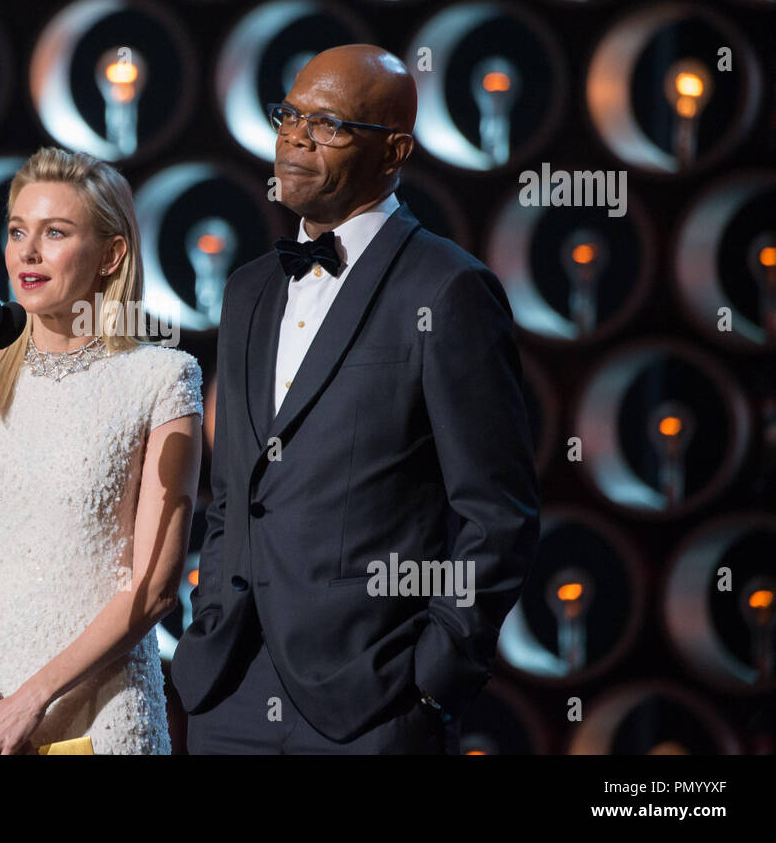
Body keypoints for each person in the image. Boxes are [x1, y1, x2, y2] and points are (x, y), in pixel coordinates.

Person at [171, 44, 540, 754]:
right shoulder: (249, 288)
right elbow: (233, 495)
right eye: (289, 115)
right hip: (228, 691)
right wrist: (210, 613)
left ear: (393, 150)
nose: (296, 137)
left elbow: (496, 512)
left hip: (371, 701)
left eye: (330, 124)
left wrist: (433, 681)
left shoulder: (446, 288)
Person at [0, 146, 203, 754]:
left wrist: (29, 701)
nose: (28, 251)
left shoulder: (161, 378)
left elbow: (154, 589)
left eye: (55, 233)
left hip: (105, 714)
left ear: (111, 253)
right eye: (18, 231)